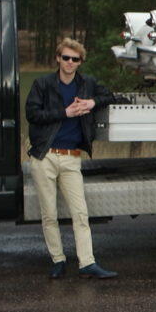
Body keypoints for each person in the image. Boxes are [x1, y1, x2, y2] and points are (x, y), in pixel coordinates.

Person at [27, 38, 118, 278]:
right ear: (58, 58)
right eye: (65, 57)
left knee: (80, 213)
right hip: (44, 156)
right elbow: (32, 113)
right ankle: (58, 260)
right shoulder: (43, 84)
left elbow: (111, 96)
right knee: (49, 214)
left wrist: (93, 101)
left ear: (80, 62)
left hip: (71, 158)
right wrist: (65, 112)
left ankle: (87, 263)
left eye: (74, 59)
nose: (69, 62)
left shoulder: (87, 84)